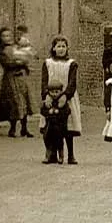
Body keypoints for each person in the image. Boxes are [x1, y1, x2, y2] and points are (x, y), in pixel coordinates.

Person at [40, 34, 82, 165]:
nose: (61, 49)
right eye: (58, 46)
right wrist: (46, 94)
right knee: (50, 126)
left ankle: (70, 154)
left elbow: (72, 83)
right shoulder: (48, 63)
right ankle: (51, 153)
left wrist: (65, 95)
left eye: (64, 46)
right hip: (51, 98)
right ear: (53, 48)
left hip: (66, 98)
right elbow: (44, 81)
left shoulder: (72, 64)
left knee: (67, 127)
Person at [0, 27, 37, 138]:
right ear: (0, 38)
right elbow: (8, 63)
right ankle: (12, 128)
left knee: (24, 101)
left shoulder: (17, 47)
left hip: (21, 77)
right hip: (10, 78)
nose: (7, 38)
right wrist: (20, 62)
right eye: (4, 36)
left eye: (8, 35)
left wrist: (22, 62)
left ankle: (24, 128)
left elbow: (26, 57)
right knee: (14, 102)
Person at [40, 89, 71, 165]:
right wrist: (48, 112)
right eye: (52, 92)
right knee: (47, 139)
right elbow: (42, 111)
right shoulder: (48, 102)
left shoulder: (62, 102)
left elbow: (67, 111)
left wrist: (59, 112)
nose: (54, 94)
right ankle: (48, 155)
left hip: (59, 126)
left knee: (59, 141)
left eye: (56, 92)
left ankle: (61, 155)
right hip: (49, 126)